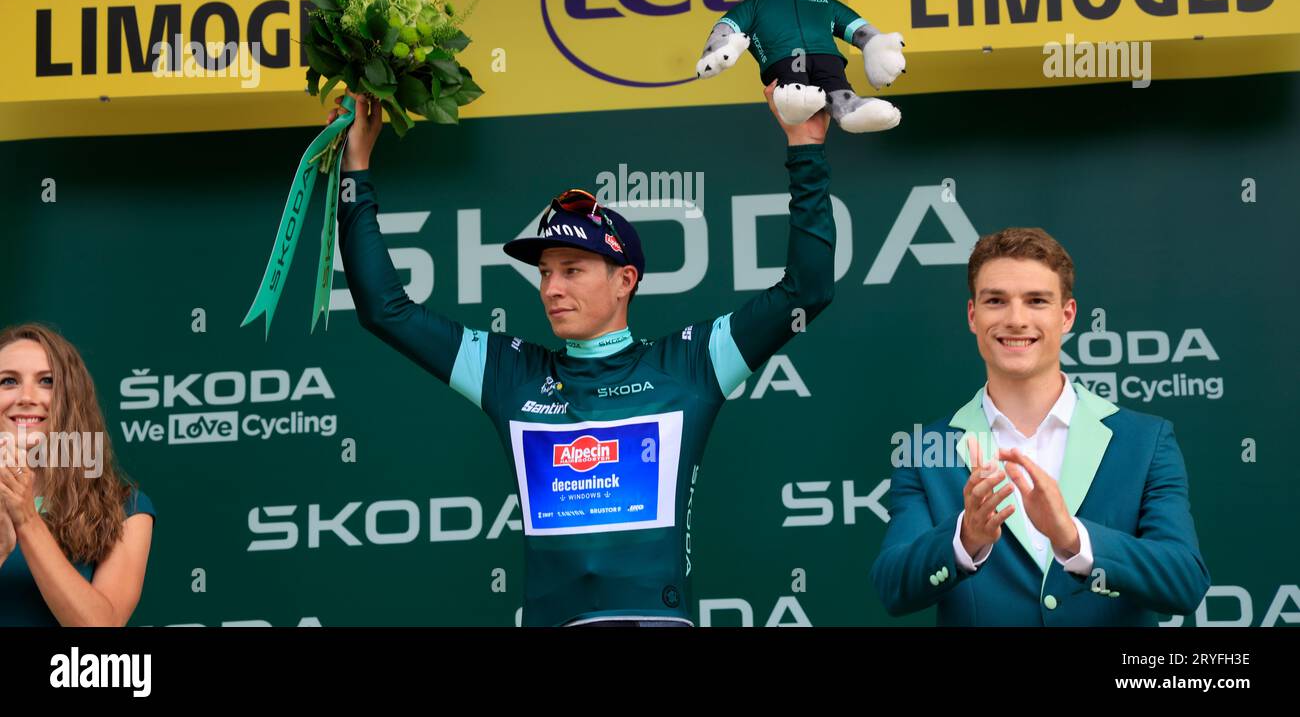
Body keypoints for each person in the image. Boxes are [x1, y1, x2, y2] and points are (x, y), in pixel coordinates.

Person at [329, 82, 835, 626]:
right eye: (545, 272)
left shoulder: (691, 365)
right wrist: (355, 167)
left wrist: (805, 151)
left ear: (625, 280)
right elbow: (385, 310)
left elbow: (806, 291)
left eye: (572, 270)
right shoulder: (510, 375)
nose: (551, 288)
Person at [870, 228, 1210, 625]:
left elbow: (1185, 582)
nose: (1016, 320)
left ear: (1066, 315)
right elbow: (892, 587)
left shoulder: (1145, 441)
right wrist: (965, 538)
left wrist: (1073, 539)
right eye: (996, 300)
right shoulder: (926, 451)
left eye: (1036, 301)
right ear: (973, 316)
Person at [0, 322, 155, 626]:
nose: (27, 397)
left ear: (70, 398)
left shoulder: (124, 508)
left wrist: (26, 518)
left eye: (47, 381)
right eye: (8, 382)